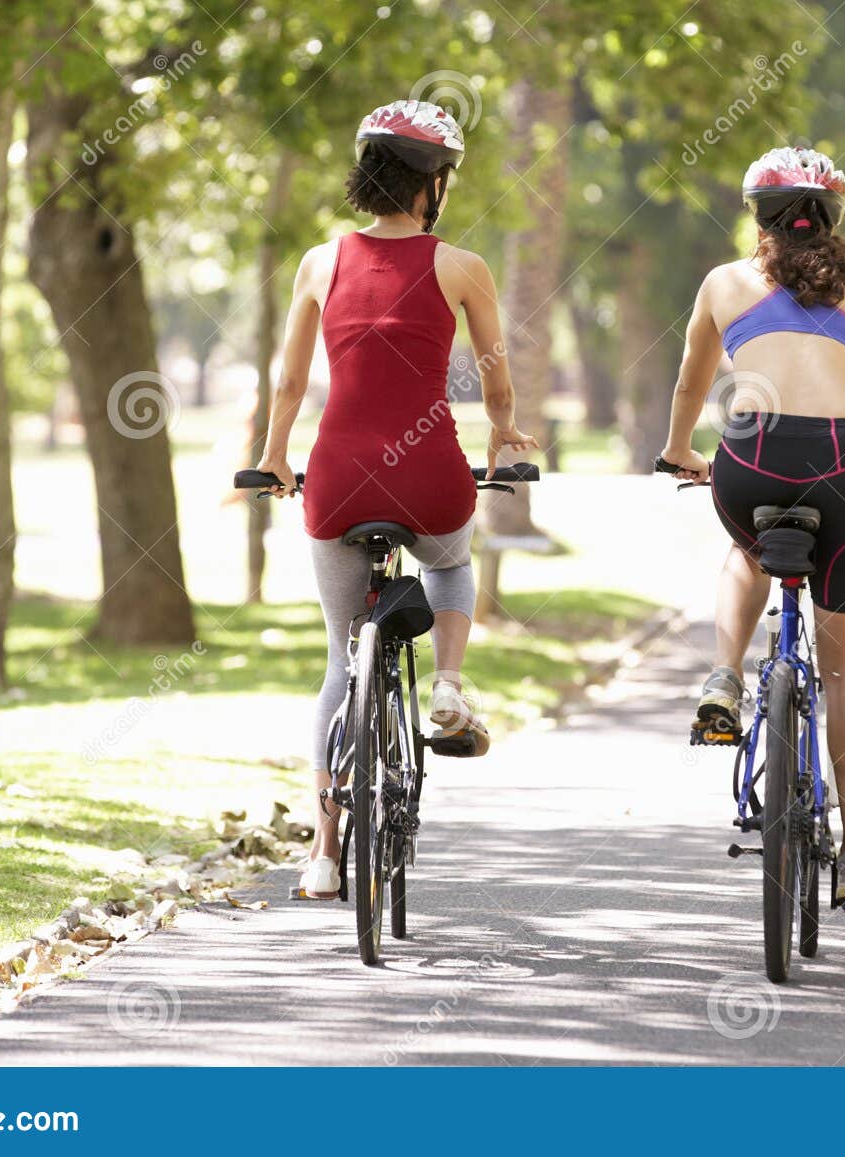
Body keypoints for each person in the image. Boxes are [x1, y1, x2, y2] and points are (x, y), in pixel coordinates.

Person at [254, 99, 538, 898]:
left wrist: (276, 456)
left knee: (340, 664)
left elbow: (288, 379)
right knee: (450, 562)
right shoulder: (461, 266)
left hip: (338, 474)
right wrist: (503, 431)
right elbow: (496, 369)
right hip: (428, 472)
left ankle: (322, 851)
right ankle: (448, 684)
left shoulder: (319, 261)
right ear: (433, 184)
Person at [656, 146, 845, 906]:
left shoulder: (723, 284)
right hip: (843, 464)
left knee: (747, 545)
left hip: (750, 453)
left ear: (758, 216)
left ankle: (725, 675)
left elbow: (691, 380)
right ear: (834, 218)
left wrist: (677, 448)